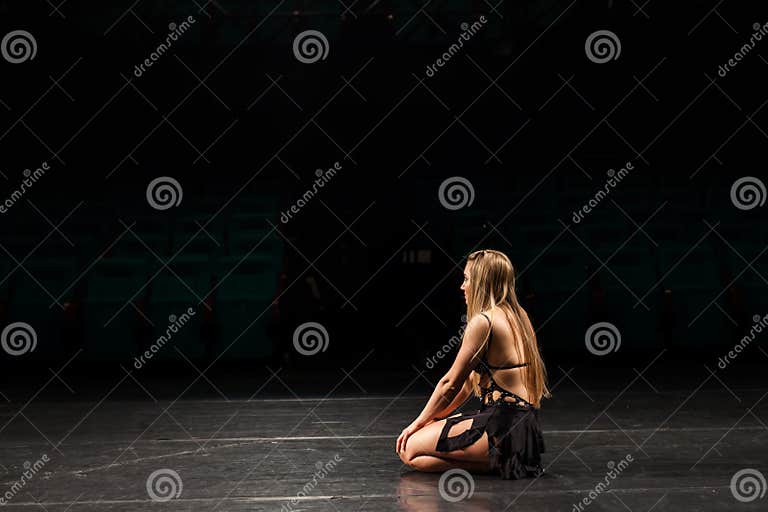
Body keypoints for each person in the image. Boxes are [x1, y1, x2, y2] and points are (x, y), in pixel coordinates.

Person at [396, 249, 551, 479]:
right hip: (526, 432)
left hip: (501, 429)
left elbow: (450, 383)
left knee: (409, 451)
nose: (462, 286)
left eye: (467, 279)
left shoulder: (483, 322)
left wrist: (416, 424)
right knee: (437, 425)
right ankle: (507, 461)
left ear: (482, 282)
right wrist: (434, 419)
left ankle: (497, 463)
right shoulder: (521, 316)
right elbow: (469, 384)